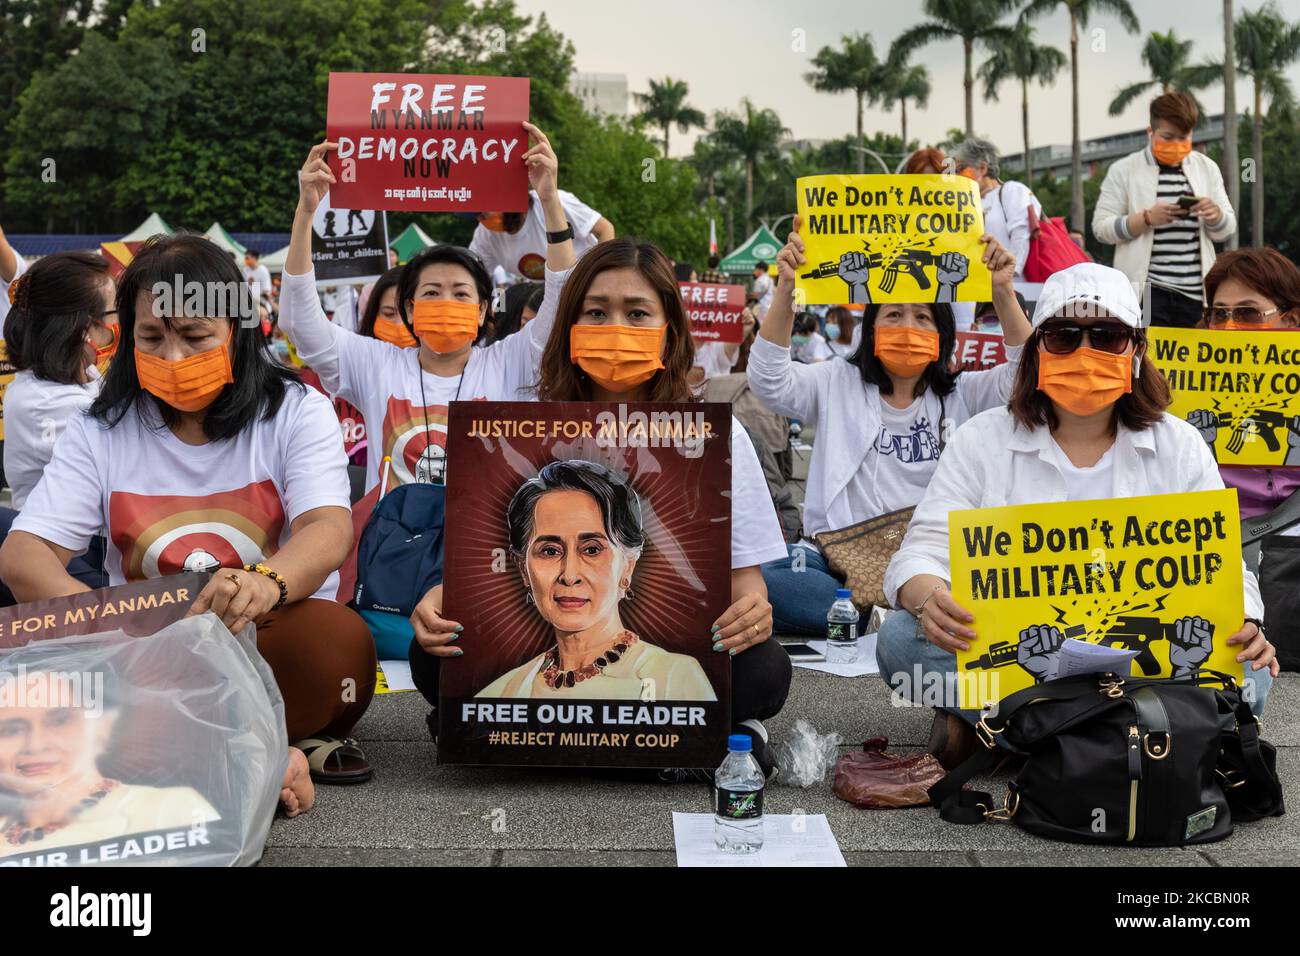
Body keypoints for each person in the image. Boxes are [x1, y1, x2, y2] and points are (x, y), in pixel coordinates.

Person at [0, 233, 379, 810]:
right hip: (141, 651)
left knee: (336, 650)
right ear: (124, 340)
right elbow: (24, 558)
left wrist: (263, 583)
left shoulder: (297, 410)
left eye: (195, 336)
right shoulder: (100, 427)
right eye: (152, 337)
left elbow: (327, 529)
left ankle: (168, 747)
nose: (173, 358)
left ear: (238, 330)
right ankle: (261, 753)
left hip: (265, 634)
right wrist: (119, 629)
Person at [408, 239, 793, 776]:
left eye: (637, 313)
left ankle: (528, 736)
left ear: (670, 330)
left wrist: (751, 615)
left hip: (674, 665)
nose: (618, 327)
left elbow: (747, 588)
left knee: (764, 667)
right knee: (432, 656)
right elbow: (471, 575)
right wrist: (438, 599)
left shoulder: (717, 438)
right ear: (568, 326)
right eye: (596, 312)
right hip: (546, 678)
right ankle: (694, 737)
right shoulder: (513, 429)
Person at [878, 262, 1278, 768]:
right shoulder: (981, 439)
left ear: (1136, 351)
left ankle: (1028, 730)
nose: (1085, 352)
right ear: (1036, 352)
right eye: (1065, 337)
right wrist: (930, 599)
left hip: (1141, 660)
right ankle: (1130, 736)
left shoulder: (1180, 444)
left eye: (1107, 337)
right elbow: (918, 555)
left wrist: (1246, 621)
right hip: (1030, 656)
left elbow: (1222, 567)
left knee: (1253, 671)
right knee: (898, 642)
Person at [747, 218, 1030, 635]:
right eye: (893, 315)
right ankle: (882, 614)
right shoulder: (835, 381)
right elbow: (768, 380)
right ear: (872, 329)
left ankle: (896, 611)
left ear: (942, 334)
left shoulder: (964, 394)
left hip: (934, 561)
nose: (907, 328)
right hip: (836, 563)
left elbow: (1028, 373)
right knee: (763, 580)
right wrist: (788, 287)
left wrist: (1002, 291)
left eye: (922, 318)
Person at [278, 126, 575, 493]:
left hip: (483, 546)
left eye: (461, 294)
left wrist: (548, 202)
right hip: (395, 548)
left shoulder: (509, 363)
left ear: (483, 310)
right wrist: (305, 214)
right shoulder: (375, 365)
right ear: (411, 308)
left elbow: (563, 302)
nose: (446, 303)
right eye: (432, 293)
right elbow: (298, 320)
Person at [477, 460, 716, 700]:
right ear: (523, 569)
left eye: (591, 550)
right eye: (550, 551)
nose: (569, 576)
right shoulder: (500, 694)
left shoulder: (673, 678)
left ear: (627, 565)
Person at [0, 667, 221, 858]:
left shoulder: (173, 809)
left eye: (59, 721)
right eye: (10, 730)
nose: (35, 745)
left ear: (103, 727)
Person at [1093, 92, 1236, 329]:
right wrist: (1146, 219)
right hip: (1148, 291)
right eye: (1168, 137)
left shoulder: (1206, 168)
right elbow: (1101, 229)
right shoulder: (1124, 170)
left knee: (1190, 361)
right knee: (1151, 359)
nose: (1177, 145)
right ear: (1151, 132)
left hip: (1196, 293)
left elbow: (1226, 229)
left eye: (1184, 137)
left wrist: (1215, 215)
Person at [2, 253, 118, 510]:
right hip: (71, 547)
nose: (119, 322)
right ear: (87, 329)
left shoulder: (75, 378)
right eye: (115, 310)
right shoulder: (49, 403)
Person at [1187, 247, 1300, 511]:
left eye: (1247, 313)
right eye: (1219, 314)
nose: (1229, 327)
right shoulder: (1183, 381)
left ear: (1291, 319)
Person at [469, 187, 613, 281]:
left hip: (584, 281)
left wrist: (599, 279)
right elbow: (481, 281)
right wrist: (497, 310)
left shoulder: (554, 203)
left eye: (483, 213)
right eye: (476, 215)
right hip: (544, 296)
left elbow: (605, 230)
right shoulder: (485, 235)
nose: (480, 219)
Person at [953, 138, 1043, 285]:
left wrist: (1009, 278)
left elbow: (1021, 236)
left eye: (960, 169)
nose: (956, 176)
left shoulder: (1012, 190)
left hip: (1015, 289)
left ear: (982, 168)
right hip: (979, 289)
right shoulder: (965, 203)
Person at [242, 249, 273, 323]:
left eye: (247, 258)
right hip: (247, 301)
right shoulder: (245, 270)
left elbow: (267, 290)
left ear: (254, 258)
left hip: (261, 302)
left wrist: (256, 298)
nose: (245, 260)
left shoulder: (263, 270)